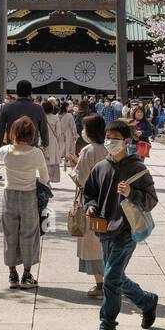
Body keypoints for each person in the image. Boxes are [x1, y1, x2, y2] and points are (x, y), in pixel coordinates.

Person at [82, 119, 159, 330]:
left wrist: (132, 192)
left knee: (111, 279)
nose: (109, 143)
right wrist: (91, 206)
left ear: (126, 142)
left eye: (114, 139)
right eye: (107, 138)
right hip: (103, 229)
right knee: (115, 277)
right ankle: (147, 301)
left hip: (126, 231)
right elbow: (90, 194)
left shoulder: (137, 168)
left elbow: (151, 199)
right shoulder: (100, 167)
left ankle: (107, 327)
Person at [0, 116, 50, 289]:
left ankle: (12, 274)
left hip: (9, 195)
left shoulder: (6, 151)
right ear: (32, 134)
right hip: (28, 196)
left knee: (10, 233)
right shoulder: (36, 153)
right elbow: (45, 178)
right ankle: (27, 275)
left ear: (14, 132)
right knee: (29, 234)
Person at [70, 114, 109, 298]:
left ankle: (101, 285)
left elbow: (82, 179)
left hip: (92, 205)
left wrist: (73, 169)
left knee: (94, 243)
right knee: (105, 242)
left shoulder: (88, 151)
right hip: (108, 202)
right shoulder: (107, 149)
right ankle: (108, 281)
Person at [0, 80, 50, 150]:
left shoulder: (7, 107)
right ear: (30, 93)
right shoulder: (38, 109)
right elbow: (44, 128)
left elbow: (0, 129)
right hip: (32, 149)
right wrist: (44, 144)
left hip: (12, 149)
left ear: (16, 92)